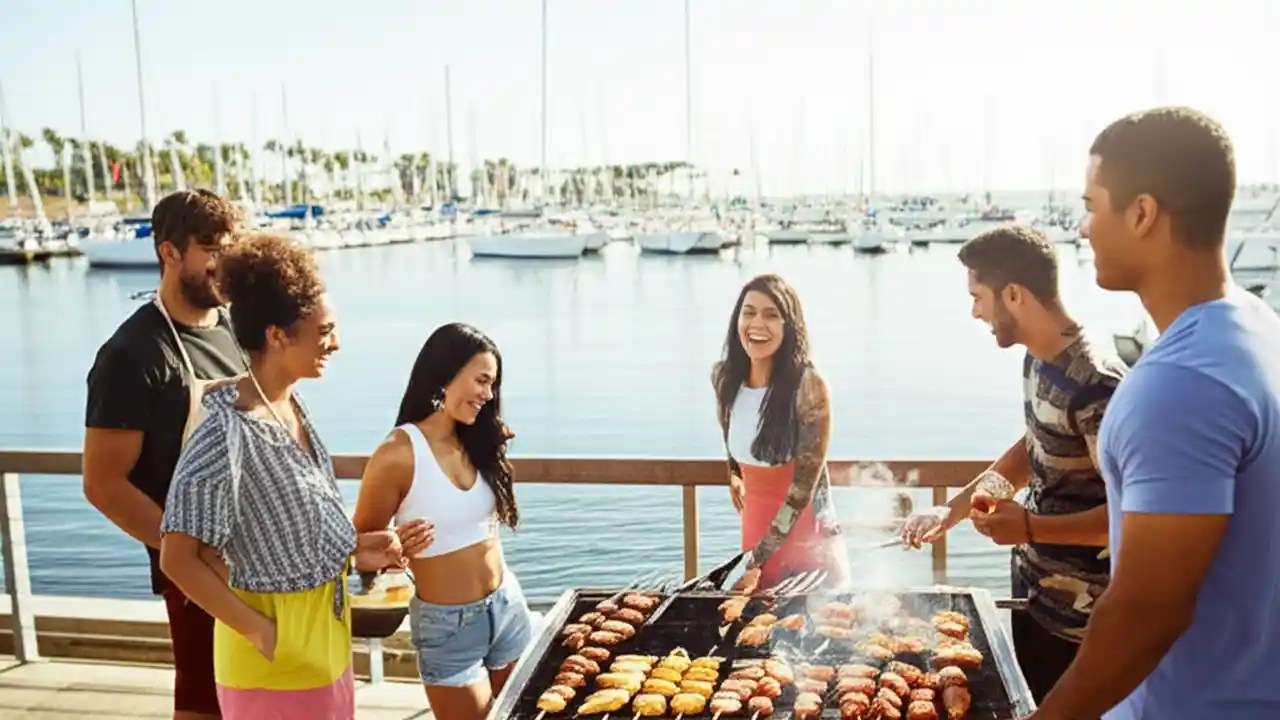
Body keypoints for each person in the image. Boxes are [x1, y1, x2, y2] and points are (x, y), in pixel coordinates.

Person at [1030, 107, 1280, 720]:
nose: (1082, 229)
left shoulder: (1178, 384)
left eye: (1091, 206)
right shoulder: (1258, 329)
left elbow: (1147, 609)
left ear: (1141, 213)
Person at [158, 233, 430, 719]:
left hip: (324, 649)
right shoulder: (225, 430)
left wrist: (358, 546)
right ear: (277, 335)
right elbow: (178, 559)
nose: (336, 342)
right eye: (324, 330)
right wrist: (258, 630)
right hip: (273, 665)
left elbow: (283, 531)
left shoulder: (291, 409)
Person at [899, 225, 1125, 708]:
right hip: (1034, 603)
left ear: (1014, 294)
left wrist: (1027, 525)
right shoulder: (1040, 360)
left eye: (978, 297)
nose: (974, 311)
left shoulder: (1100, 387)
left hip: (1083, 629)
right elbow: (1034, 446)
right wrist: (953, 511)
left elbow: (1131, 519)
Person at [83, 189, 245, 720]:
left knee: (259, 698)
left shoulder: (233, 331)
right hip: (196, 567)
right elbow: (104, 484)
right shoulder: (133, 354)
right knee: (204, 702)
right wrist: (191, 555)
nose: (224, 262)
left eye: (230, 246)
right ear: (168, 252)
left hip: (256, 553)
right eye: (211, 249)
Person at [353, 322, 533, 720]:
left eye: (493, 385)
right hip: (449, 628)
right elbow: (359, 547)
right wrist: (392, 550)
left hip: (506, 606)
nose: (489, 395)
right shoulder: (397, 453)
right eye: (482, 381)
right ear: (446, 374)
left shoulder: (480, 439)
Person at [712, 273, 848, 593]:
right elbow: (732, 437)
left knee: (809, 629)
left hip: (804, 534)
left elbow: (803, 491)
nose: (757, 323)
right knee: (752, 633)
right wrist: (733, 472)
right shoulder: (723, 378)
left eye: (771, 315)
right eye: (749, 312)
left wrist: (755, 559)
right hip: (754, 529)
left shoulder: (808, 386)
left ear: (789, 327)